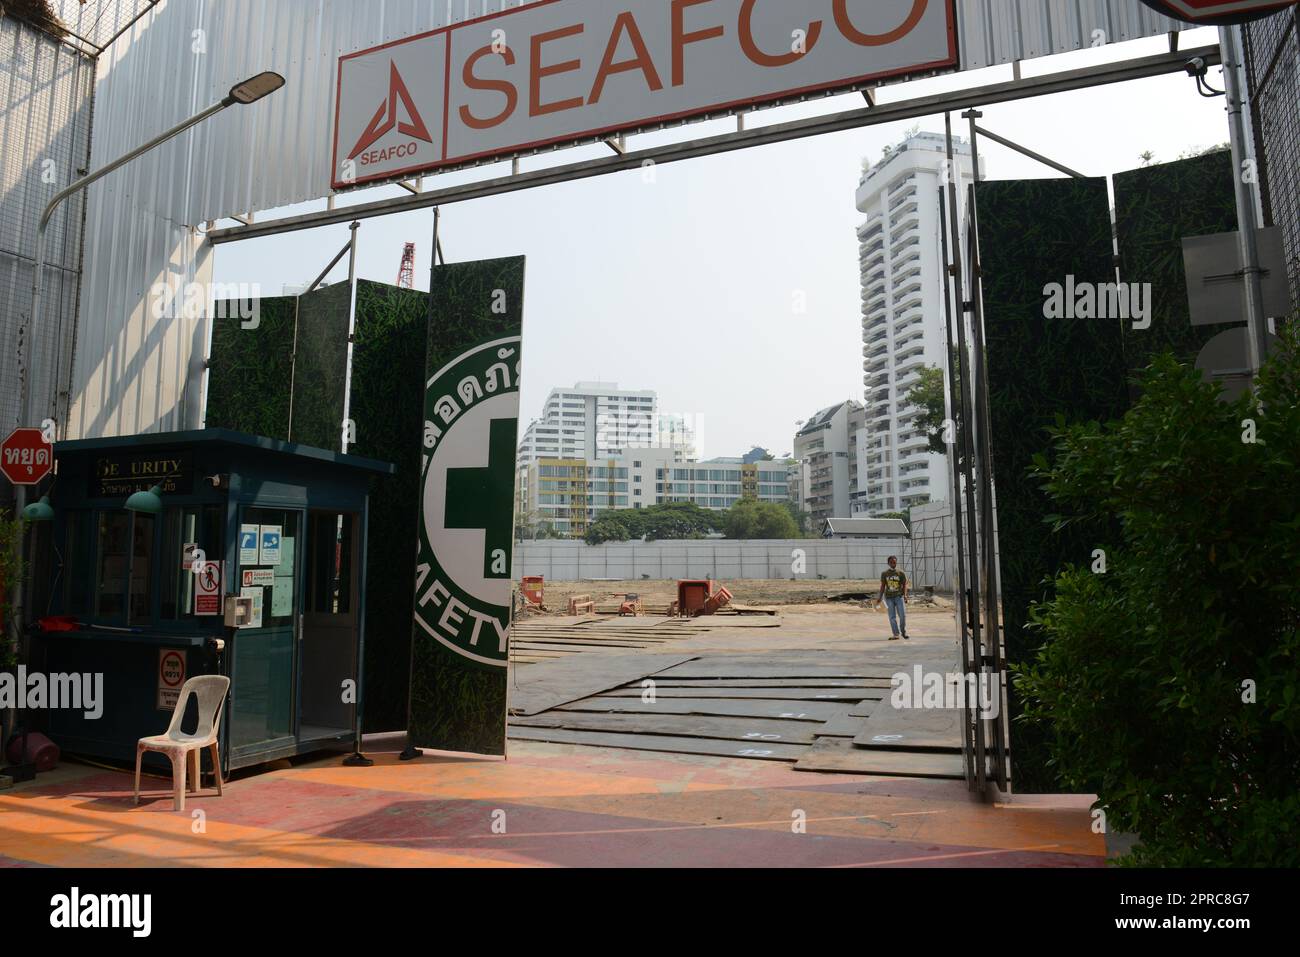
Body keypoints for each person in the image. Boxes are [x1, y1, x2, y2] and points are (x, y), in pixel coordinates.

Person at [877, 556, 909, 640]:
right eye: (891, 562)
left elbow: (905, 585)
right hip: (889, 598)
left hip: (899, 597)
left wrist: (905, 595)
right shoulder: (884, 574)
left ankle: (903, 632)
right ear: (888, 563)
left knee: (902, 615)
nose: (893, 564)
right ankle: (896, 634)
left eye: (894, 562)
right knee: (892, 617)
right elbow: (883, 586)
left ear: (896, 563)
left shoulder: (900, 573)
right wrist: (880, 597)